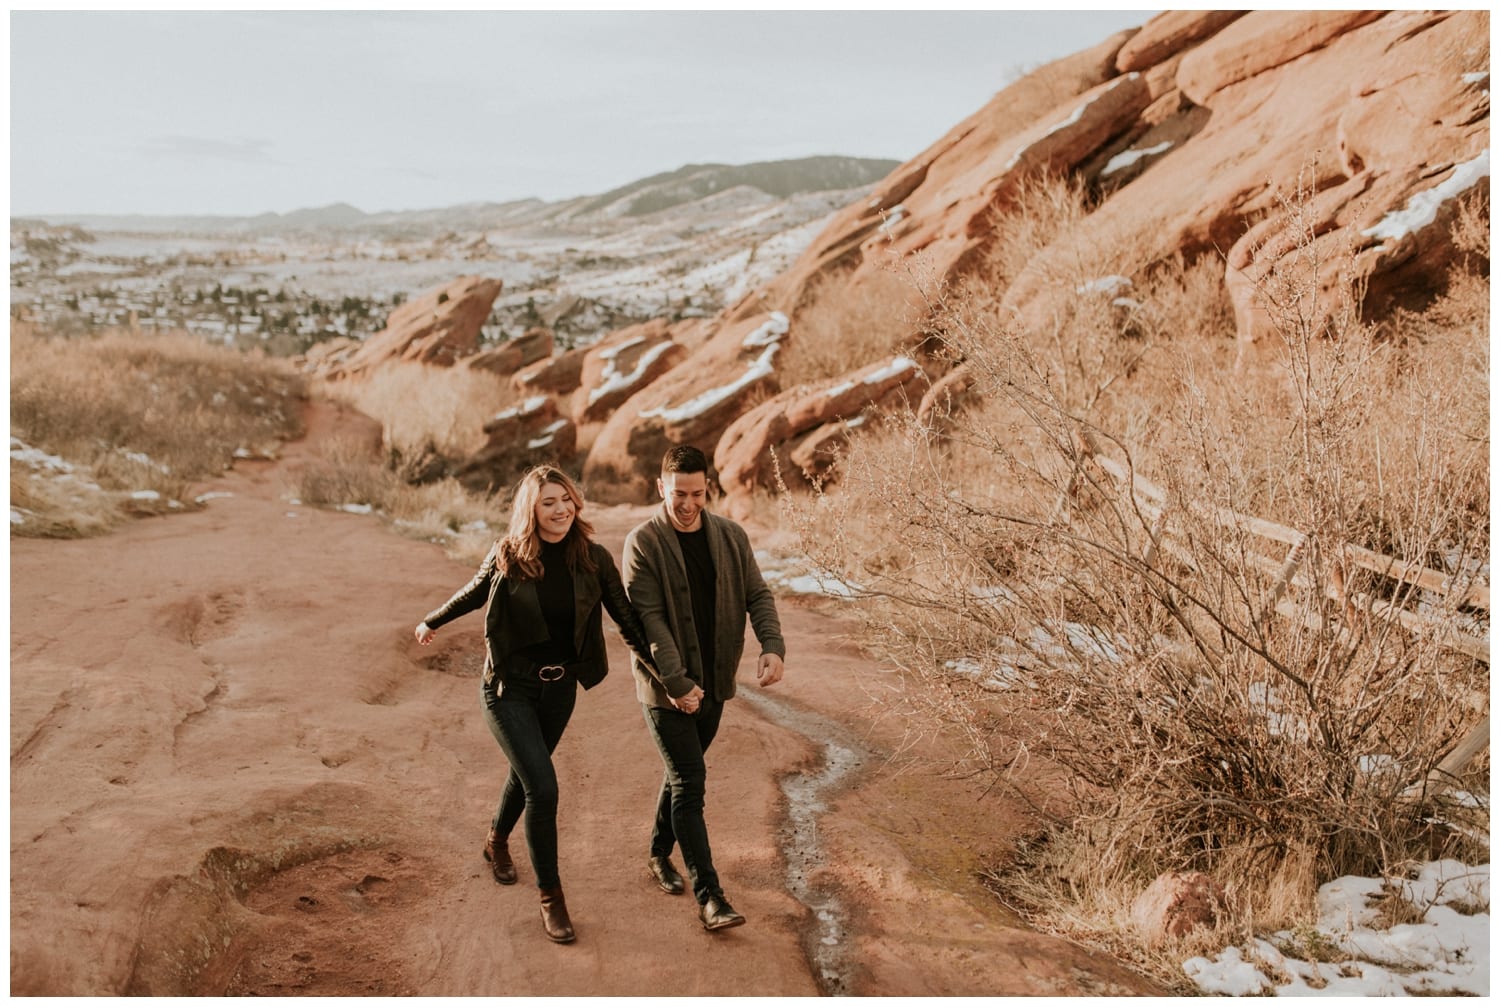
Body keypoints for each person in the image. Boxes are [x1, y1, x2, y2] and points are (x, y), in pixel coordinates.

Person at [414, 464, 655, 945]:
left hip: (559, 689)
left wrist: (664, 672)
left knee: (527, 772)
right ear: (532, 509)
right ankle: (552, 899)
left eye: (565, 499)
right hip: (507, 688)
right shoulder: (509, 554)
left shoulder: (593, 559)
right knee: (542, 789)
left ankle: (495, 841)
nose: (561, 509)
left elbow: (626, 620)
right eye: (549, 502)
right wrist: (432, 620)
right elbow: (474, 593)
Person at [622, 445, 786, 932]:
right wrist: (676, 683)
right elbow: (648, 619)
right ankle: (710, 896)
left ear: (707, 488)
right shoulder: (643, 543)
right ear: (660, 488)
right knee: (690, 783)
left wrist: (772, 644)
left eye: (696, 493)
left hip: (715, 684)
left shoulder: (731, 536)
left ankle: (657, 853)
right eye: (678, 494)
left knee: (680, 777)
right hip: (665, 689)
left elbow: (757, 593)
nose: (688, 503)